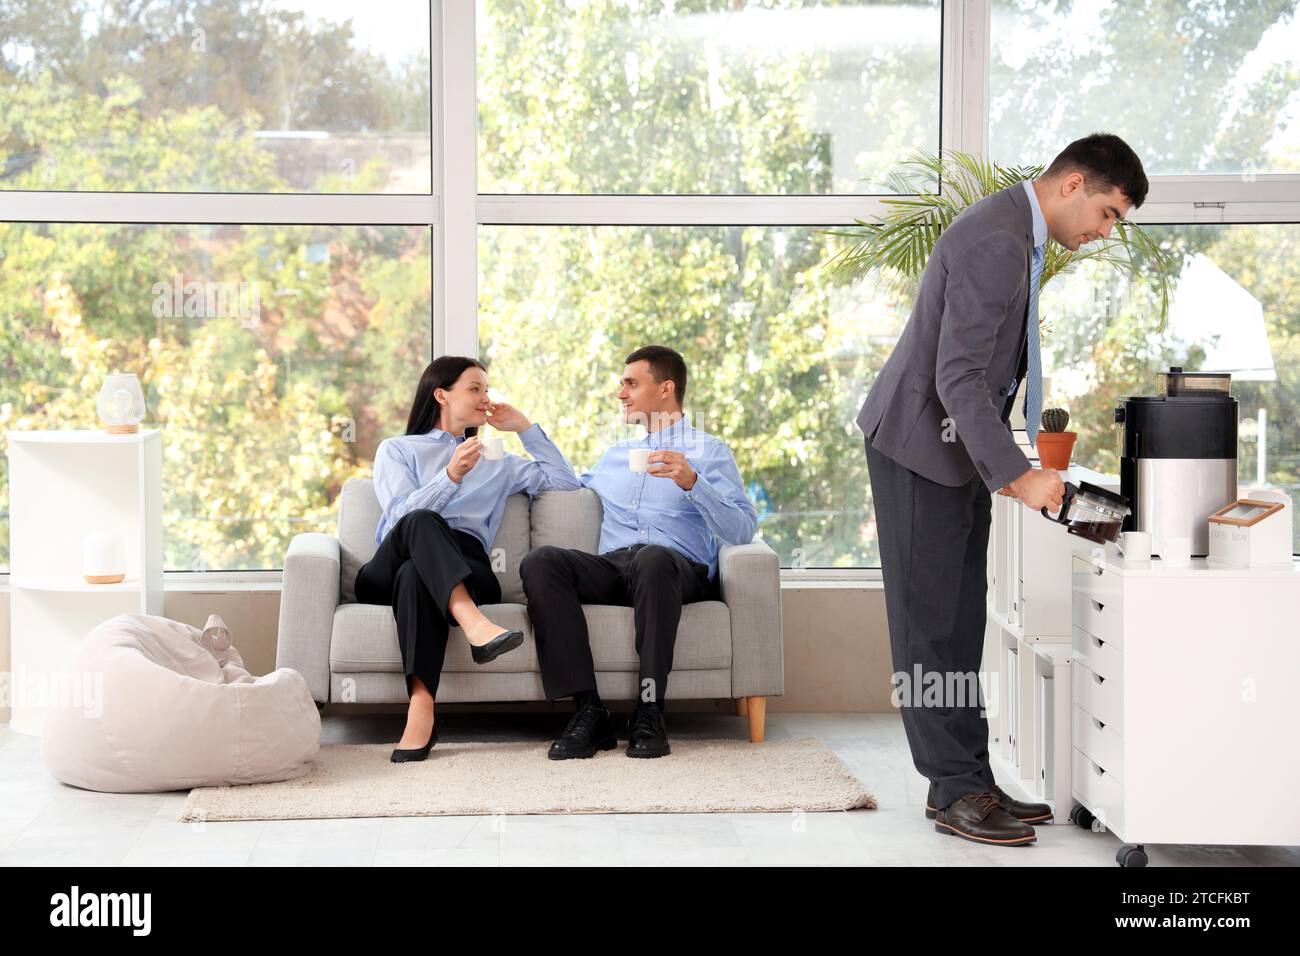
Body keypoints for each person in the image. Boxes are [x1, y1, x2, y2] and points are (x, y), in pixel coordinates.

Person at [855, 133, 1149, 846]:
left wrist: (1009, 470)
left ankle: (966, 781)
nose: (1106, 233)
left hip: (950, 454)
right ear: (1074, 184)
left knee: (959, 622)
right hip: (920, 449)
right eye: (1109, 214)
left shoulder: (1014, 231)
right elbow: (957, 376)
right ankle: (955, 788)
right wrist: (1019, 474)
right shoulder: (996, 240)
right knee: (930, 627)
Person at [520, 345, 757, 759]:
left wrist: (693, 482)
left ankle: (650, 710)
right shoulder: (615, 456)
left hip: (675, 571)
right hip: (615, 569)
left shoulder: (709, 451)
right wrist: (525, 430)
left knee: (652, 557)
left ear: (666, 389)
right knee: (541, 562)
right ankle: (590, 712)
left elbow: (741, 530)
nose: (621, 393)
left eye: (631, 383)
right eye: (621, 384)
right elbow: (563, 480)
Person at [358, 356, 581, 762]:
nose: (485, 397)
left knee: (416, 576)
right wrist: (450, 477)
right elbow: (399, 518)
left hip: (466, 562)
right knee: (419, 525)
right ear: (441, 394)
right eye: (474, 388)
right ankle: (474, 621)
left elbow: (567, 484)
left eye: (487, 389)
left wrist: (525, 430)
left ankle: (421, 708)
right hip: (393, 558)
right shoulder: (398, 449)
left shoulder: (495, 460)